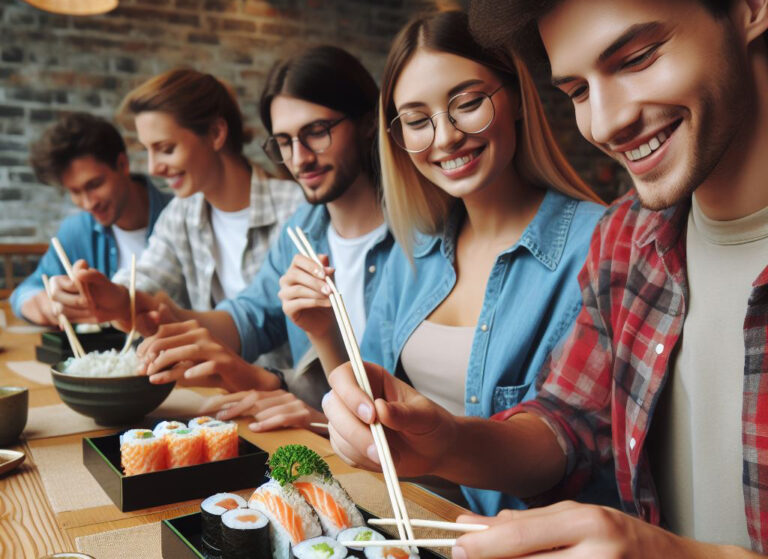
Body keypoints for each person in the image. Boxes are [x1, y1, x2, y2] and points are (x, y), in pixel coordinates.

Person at [324, 0, 768, 556]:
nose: (604, 123)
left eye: (637, 58)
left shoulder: (589, 234)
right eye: (578, 91)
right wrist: (446, 440)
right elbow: (570, 424)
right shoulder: (627, 237)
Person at [300, 10, 610, 515]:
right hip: (423, 517)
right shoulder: (416, 248)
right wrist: (321, 331)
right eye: (418, 121)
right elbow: (369, 398)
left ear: (516, 100)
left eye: (467, 104)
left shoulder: (598, 243)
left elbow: (572, 443)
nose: (444, 138)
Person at [135, 46, 393, 428]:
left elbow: (397, 401)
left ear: (368, 121)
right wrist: (166, 321)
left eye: (316, 133)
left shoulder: (417, 233)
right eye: (284, 142)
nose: (299, 158)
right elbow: (252, 317)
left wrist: (309, 412)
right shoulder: (302, 228)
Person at [50, 69, 304, 369]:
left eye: (166, 149)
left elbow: (261, 320)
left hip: (291, 398)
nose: (153, 168)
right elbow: (145, 279)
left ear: (216, 133)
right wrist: (106, 296)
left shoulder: (296, 208)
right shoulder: (182, 212)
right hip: (218, 390)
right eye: (147, 151)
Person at [10, 112, 171, 326]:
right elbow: (26, 291)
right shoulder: (77, 230)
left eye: (94, 184)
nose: (88, 203)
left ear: (122, 165)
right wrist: (48, 304)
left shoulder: (179, 215)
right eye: (75, 191)